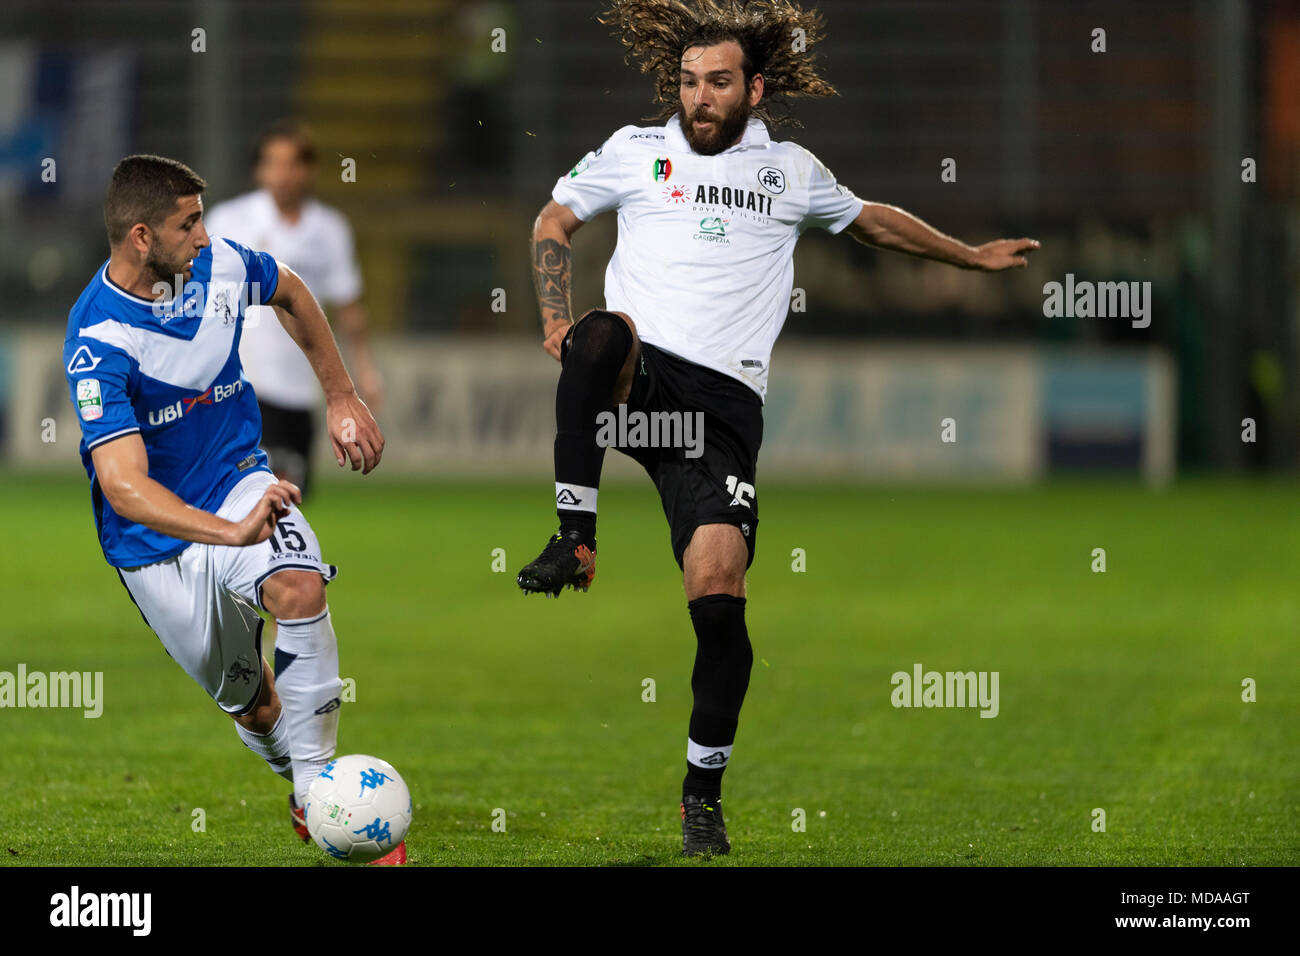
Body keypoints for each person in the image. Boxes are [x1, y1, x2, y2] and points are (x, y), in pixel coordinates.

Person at [516, 0, 1039, 857]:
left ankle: (701, 796)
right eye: (688, 82)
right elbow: (553, 220)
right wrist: (552, 314)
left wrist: (971, 256)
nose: (700, 98)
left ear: (754, 88)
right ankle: (575, 535)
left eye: (718, 82)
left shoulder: (790, 171)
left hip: (718, 414)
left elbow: (872, 220)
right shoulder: (633, 152)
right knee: (600, 332)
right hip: (637, 375)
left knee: (718, 594)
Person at [64, 154, 398, 862]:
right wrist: (227, 534)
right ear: (141, 239)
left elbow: (293, 291)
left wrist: (340, 394)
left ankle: (321, 796)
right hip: (152, 542)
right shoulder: (98, 341)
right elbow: (125, 487)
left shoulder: (216, 268)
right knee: (254, 702)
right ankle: (306, 779)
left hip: (239, 477)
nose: (206, 234)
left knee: (299, 585)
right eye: (189, 222)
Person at [205, 120, 382, 499]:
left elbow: (348, 305)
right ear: (258, 170)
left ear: (308, 170)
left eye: (292, 164)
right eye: (273, 163)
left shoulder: (330, 229)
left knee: (290, 504)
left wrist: (363, 367)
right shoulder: (228, 220)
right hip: (242, 384)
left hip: (302, 388)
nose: (282, 174)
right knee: (247, 498)